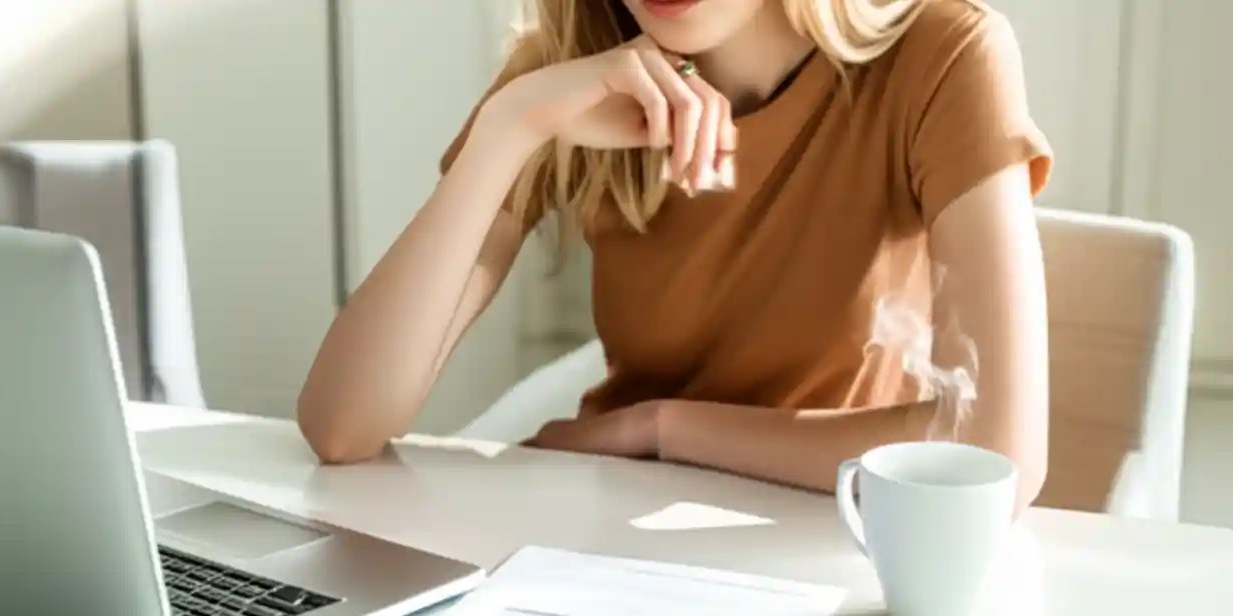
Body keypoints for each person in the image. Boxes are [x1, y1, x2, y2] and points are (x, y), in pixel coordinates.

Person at [298, 0, 1053, 514]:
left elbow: (997, 454)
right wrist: (509, 127)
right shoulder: (570, 67)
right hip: (606, 536)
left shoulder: (944, 54)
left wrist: (662, 429)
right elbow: (341, 426)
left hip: (832, 535)